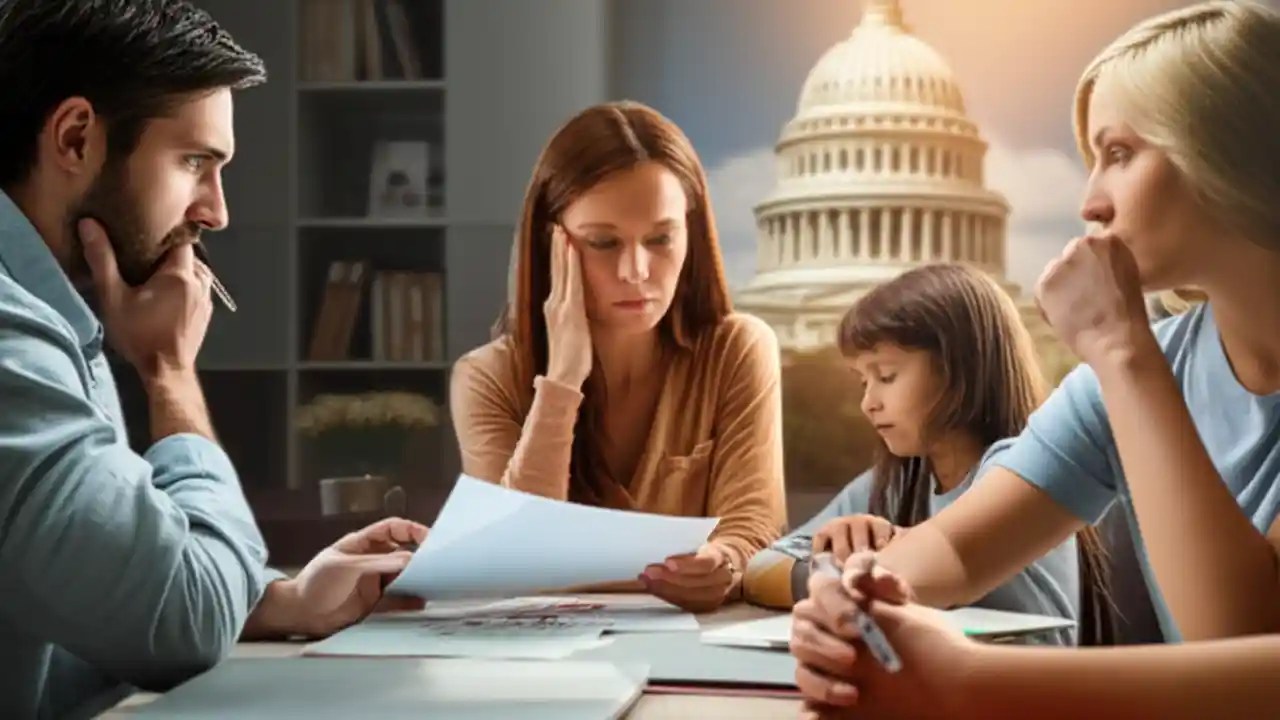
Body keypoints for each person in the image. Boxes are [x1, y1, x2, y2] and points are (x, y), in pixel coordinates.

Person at [789, 0, 1280, 715]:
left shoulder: (1132, 364)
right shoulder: (1142, 370)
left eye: (1118, 154)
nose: (1090, 204)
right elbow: (956, 553)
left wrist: (1120, 348)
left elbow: (1247, 637)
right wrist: (862, 594)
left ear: (1227, 152)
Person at [0, 3, 425, 717]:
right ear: (76, 138)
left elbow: (73, 583)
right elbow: (181, 621)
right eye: (195, 161)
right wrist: (169, 373)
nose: (216, 211)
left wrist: (274, 597)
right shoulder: (12, 340)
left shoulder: (56, 314)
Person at [450, 100, 786, 613]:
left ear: (690, 235)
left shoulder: (738, 350)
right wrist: (562, 382)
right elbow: (513, 557)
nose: (636, 270)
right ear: (553, 243)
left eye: (661, 239)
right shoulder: (485, 378)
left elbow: (755, 527)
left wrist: (724, 562)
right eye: (603, 243)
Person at [742, 263, 1108, 645]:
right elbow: (759, 568)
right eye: (863, 381)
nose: (868, 403)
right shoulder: (897, 484)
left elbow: (922, 572)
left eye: (886, 376)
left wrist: (857, 566)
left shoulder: (1018, 471)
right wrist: (827, 562)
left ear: (958, 368)